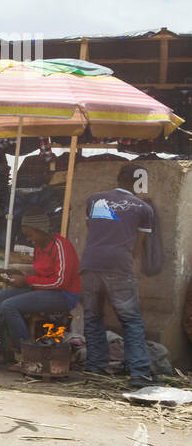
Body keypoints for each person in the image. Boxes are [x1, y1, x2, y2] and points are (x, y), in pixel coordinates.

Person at [79, 162, 155, 386]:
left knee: (93, 318)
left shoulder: (94, 200)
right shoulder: (143, 209)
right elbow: (137, 247)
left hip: (90, 264)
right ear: (140, 182)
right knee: (131, 320)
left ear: (119, 177)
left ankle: (95, 369)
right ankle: (139, 373)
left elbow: (92, 230)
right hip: (119, 267)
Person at [0, 210, 80, 365]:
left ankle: (26, 355)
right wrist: (17, 280)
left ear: (41, 231)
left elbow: (60, 282)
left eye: (30, 235)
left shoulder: (61, 246)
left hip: (63, 295)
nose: (29, 239)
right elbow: (39, 276)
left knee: (9, 306)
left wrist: (27, 281)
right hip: (41, 290)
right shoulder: (39, 248)